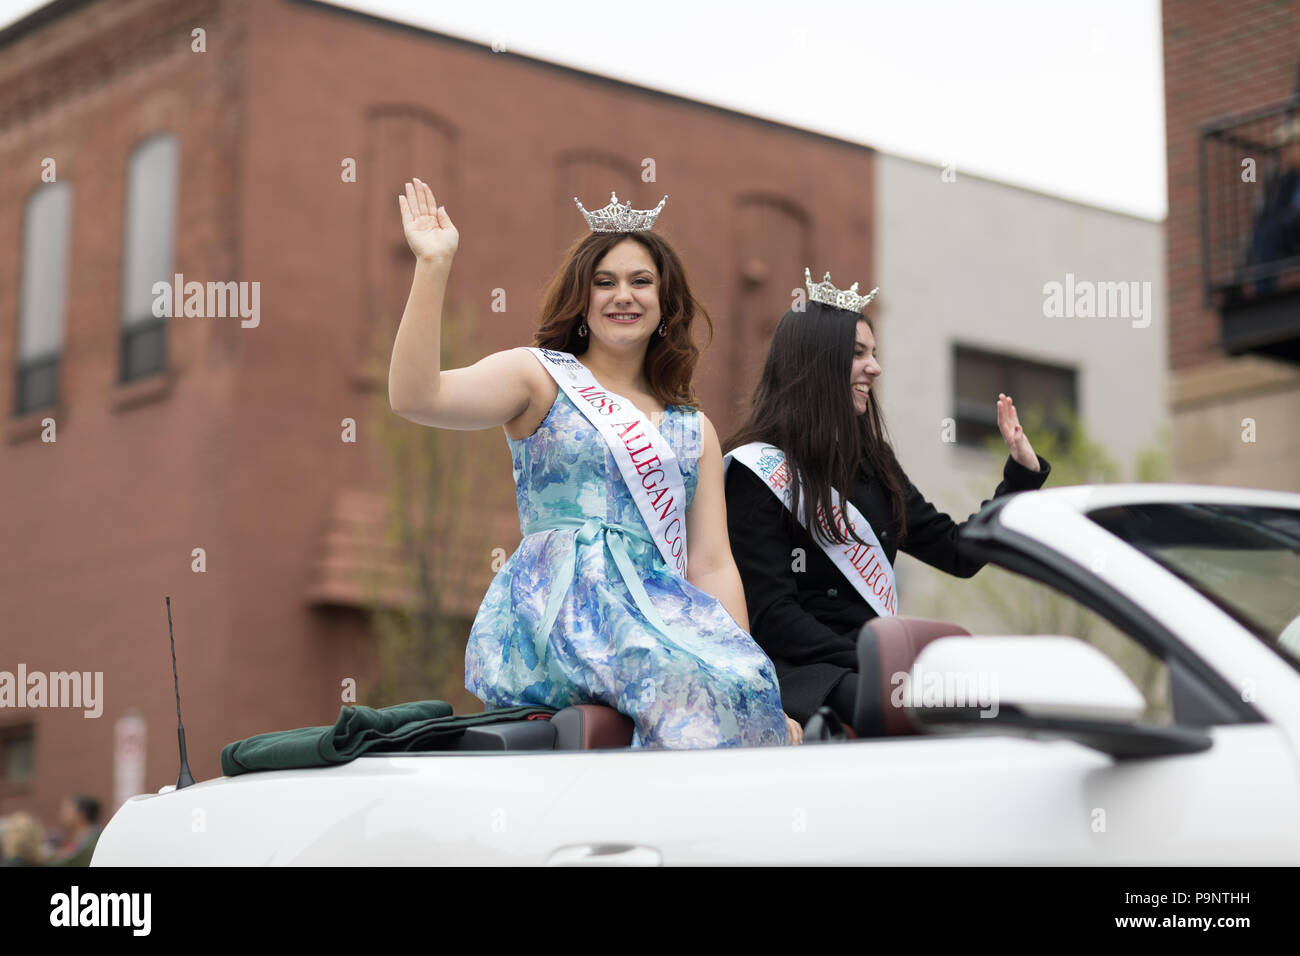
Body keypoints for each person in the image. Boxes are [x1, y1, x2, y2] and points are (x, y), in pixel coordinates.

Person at [388, 181, 796, 747]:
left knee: (746, 687)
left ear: (665, 302)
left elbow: (711, 564)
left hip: (656, 614)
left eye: (640, 281)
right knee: (680, 682)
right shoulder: (538, 377)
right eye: (604, 282)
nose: (621, 295)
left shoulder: (692, 427)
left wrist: (743, 667)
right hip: (563, 611)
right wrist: (432, 266)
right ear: (582, 299)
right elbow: (416, 397)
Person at [724, 270, 1051, 727]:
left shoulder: (874, 465)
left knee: (992, 709)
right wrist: (879, 659)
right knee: (920, 714)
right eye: (858, 354)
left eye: (873, 353)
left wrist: (1020, 474)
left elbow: (958, 552)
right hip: (806, 675)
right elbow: (773, 615)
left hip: (877, 663)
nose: (874, 367)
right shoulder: (755, 472)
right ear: (816, 361)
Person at [48, 794, 101, 866]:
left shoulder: (91, 842)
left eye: (67, 810)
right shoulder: (85, 839)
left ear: (81, 814)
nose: (62, 814)